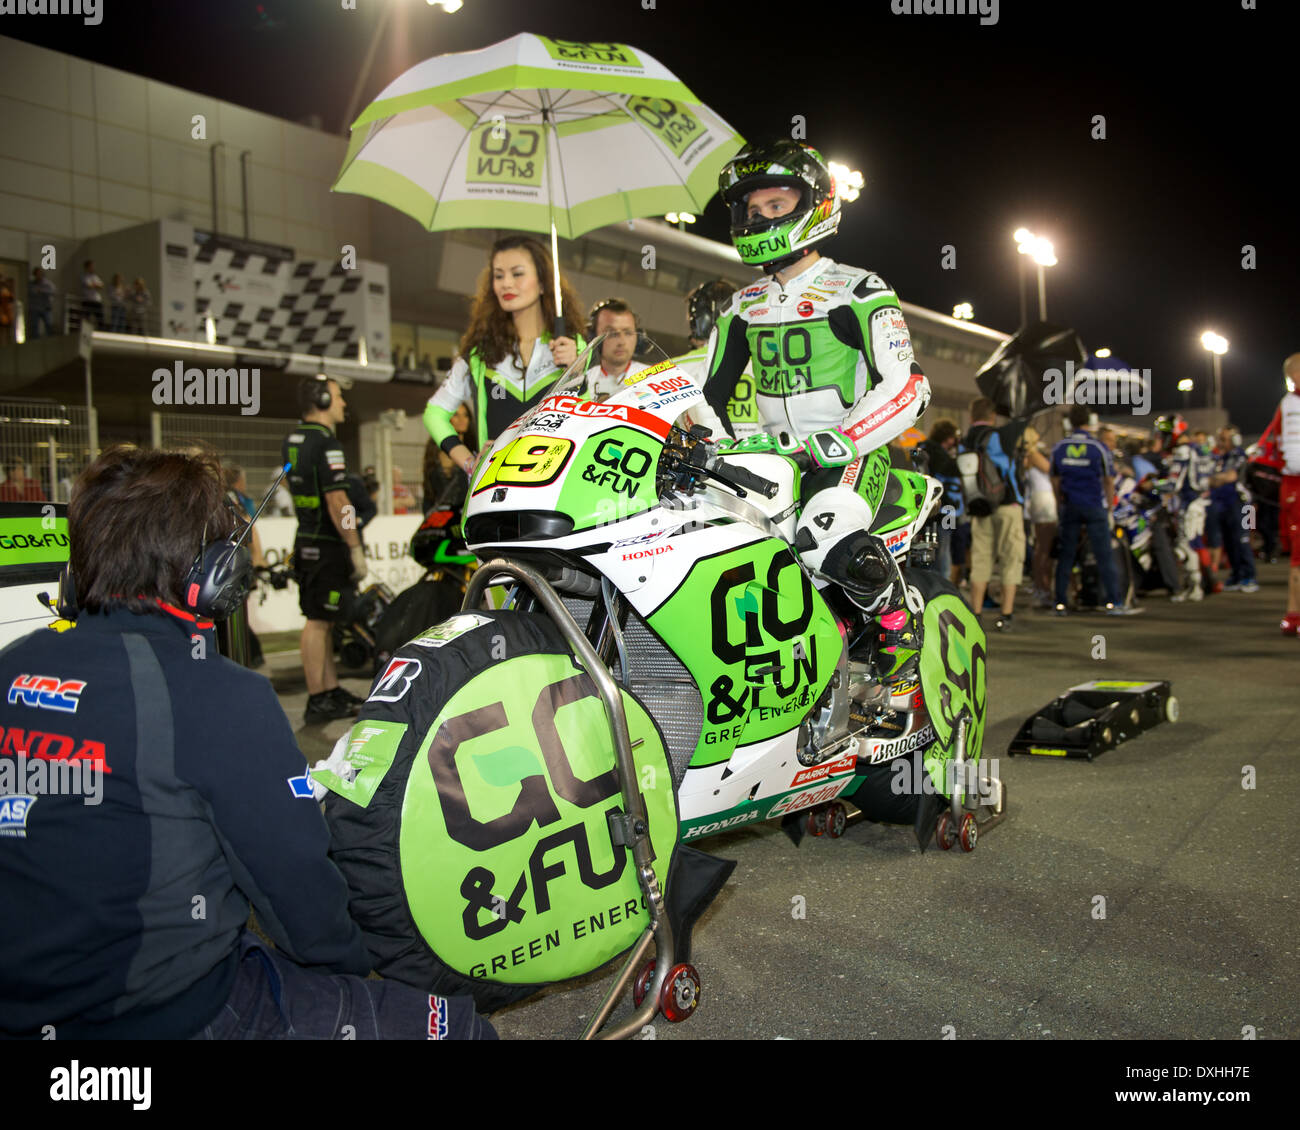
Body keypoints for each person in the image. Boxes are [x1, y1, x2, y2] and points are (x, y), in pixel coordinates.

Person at [0, 444, 494, 1040]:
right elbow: (299, 898)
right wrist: (357, 968)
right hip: (168, 1014)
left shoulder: (11, 668)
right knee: (463, 1028)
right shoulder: (218, 695)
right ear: (215, 575)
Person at [691, 139, 932, 674]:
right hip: (772, 464)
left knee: (823, 536)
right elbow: (707, 396)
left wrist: (843, 438)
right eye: (751, 210)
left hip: (850, 453)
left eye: (774, 207)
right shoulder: (738, 307)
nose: (759, 219)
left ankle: (899, 626)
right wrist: (711, 446)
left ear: (815, 203)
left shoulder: (858, 289)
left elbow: (909, 386)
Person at [424, 234, 580, 478]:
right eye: (498, 275)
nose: (506, 283)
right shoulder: (479, 354)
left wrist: (577, 368)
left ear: (542, 283)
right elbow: (434, 413)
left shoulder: (574, 346)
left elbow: (601, 410)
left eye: (517, 274)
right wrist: (468, 462)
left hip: (559, 486)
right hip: (495, 489)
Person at [284, 375, 367, 724]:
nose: (343, 403)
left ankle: (329, 690)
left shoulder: (295, 438)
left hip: (306, 537)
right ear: (320, 399)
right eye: (337, 396)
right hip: (326, 543)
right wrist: (355, 545)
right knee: (318, 622)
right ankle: (318, 697)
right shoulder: (327, 443)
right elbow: (338, 500)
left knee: (324, 620)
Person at [1051, 403, 1134, 615]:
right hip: (1094, 506)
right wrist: (1109, 507)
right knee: (1104, 555)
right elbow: (1108, 480)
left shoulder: (1059, 447)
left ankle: (1060, 603)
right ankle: (1113, 602)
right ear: (1090, 422)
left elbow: (1055, 480)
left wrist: (1059, 503)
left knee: (1066, 556)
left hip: (1070, 506)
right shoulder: (1098, 448)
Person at [964, 398, 1039, 630]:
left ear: (971, 415)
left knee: (980, 557)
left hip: (980, 506)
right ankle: (1005, 615)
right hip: (1007, 504)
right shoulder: (1001, 435)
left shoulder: (965, 440)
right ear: (993, 415)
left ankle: (975, 613)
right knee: (1011, 558)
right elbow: (1010, 465)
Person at [675, 278, 761, 439]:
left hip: (706, 458)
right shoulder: (764, 360)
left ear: (697, 320)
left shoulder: (673, 368)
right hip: (765, 457)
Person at [1266, 354, 1300, 635]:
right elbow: (1273, 446)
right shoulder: (1288, 405)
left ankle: (1293, 614)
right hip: (1294, 485)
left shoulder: (1287, 405)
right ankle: (1293, 613)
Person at [1210, 426, 1258, 592]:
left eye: (1224, 439)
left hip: (1243, 505)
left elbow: (1230, 476)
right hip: (1225, 505)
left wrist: (1214, 479)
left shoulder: (1239, 456)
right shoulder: (1219, 458)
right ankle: (1237, 575)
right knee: (1229, 541)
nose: (1220, 443)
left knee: (1242, 540)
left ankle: (1249, 576)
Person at [916, 418, 963, 579]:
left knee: (924, 550)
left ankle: (925, 583)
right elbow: (954, 471)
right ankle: (942, 586)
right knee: (943, 552)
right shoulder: (940, 454)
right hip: (947, 509)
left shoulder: (921, 447)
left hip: (925, 507)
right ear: (948, 437)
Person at [584, 298, 649, 400]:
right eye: (612, 333)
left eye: (628, 333)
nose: (621, 342)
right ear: (593, 337)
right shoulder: (581, 382)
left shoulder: (653, 378)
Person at [1024, 431, 1058, 608]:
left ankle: (1040, 586)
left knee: (1041, 546)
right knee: (1045, 547)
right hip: (1045, 500)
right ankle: (1043, 587)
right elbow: (1052, 469)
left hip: (1038, 500)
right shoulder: (1034, 455)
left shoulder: (1026, 457)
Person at [423, 401, 475, 513]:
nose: (462, 420)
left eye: (465, 415)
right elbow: (429, 489)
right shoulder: (433, 453)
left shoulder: (474, 451)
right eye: (456, 415)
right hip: (439, 518)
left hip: (465, 515)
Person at [27, 267, 55, 339]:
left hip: (46, 307)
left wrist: (42, 291)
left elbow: (53, 291)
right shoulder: (31, 284)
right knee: (34, 325)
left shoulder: (47, 283)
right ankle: (35, 340)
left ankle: (50, 339)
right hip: (35, 307)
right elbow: (29, 293)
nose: (38, 276)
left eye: (40, 274)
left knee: (49, 324)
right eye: (37, 274)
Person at [80, 259, 104, 328]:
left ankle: (101, 331)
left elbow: (101, 285)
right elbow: (88, 286)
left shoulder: (95, 276)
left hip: (96, 300)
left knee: (100, 318)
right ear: (87, 267)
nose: (92, 268)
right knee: (86, 318)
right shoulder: (84, 276)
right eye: (91, 266)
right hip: (88, 300)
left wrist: (94, 285)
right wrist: (95, 285)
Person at [0, 275, 14, 344]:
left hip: (7, 313)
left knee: (8, 330)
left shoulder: (6, 290)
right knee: (2, 330)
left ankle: (8, 344)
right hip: (2, 313)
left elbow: (11, 299)